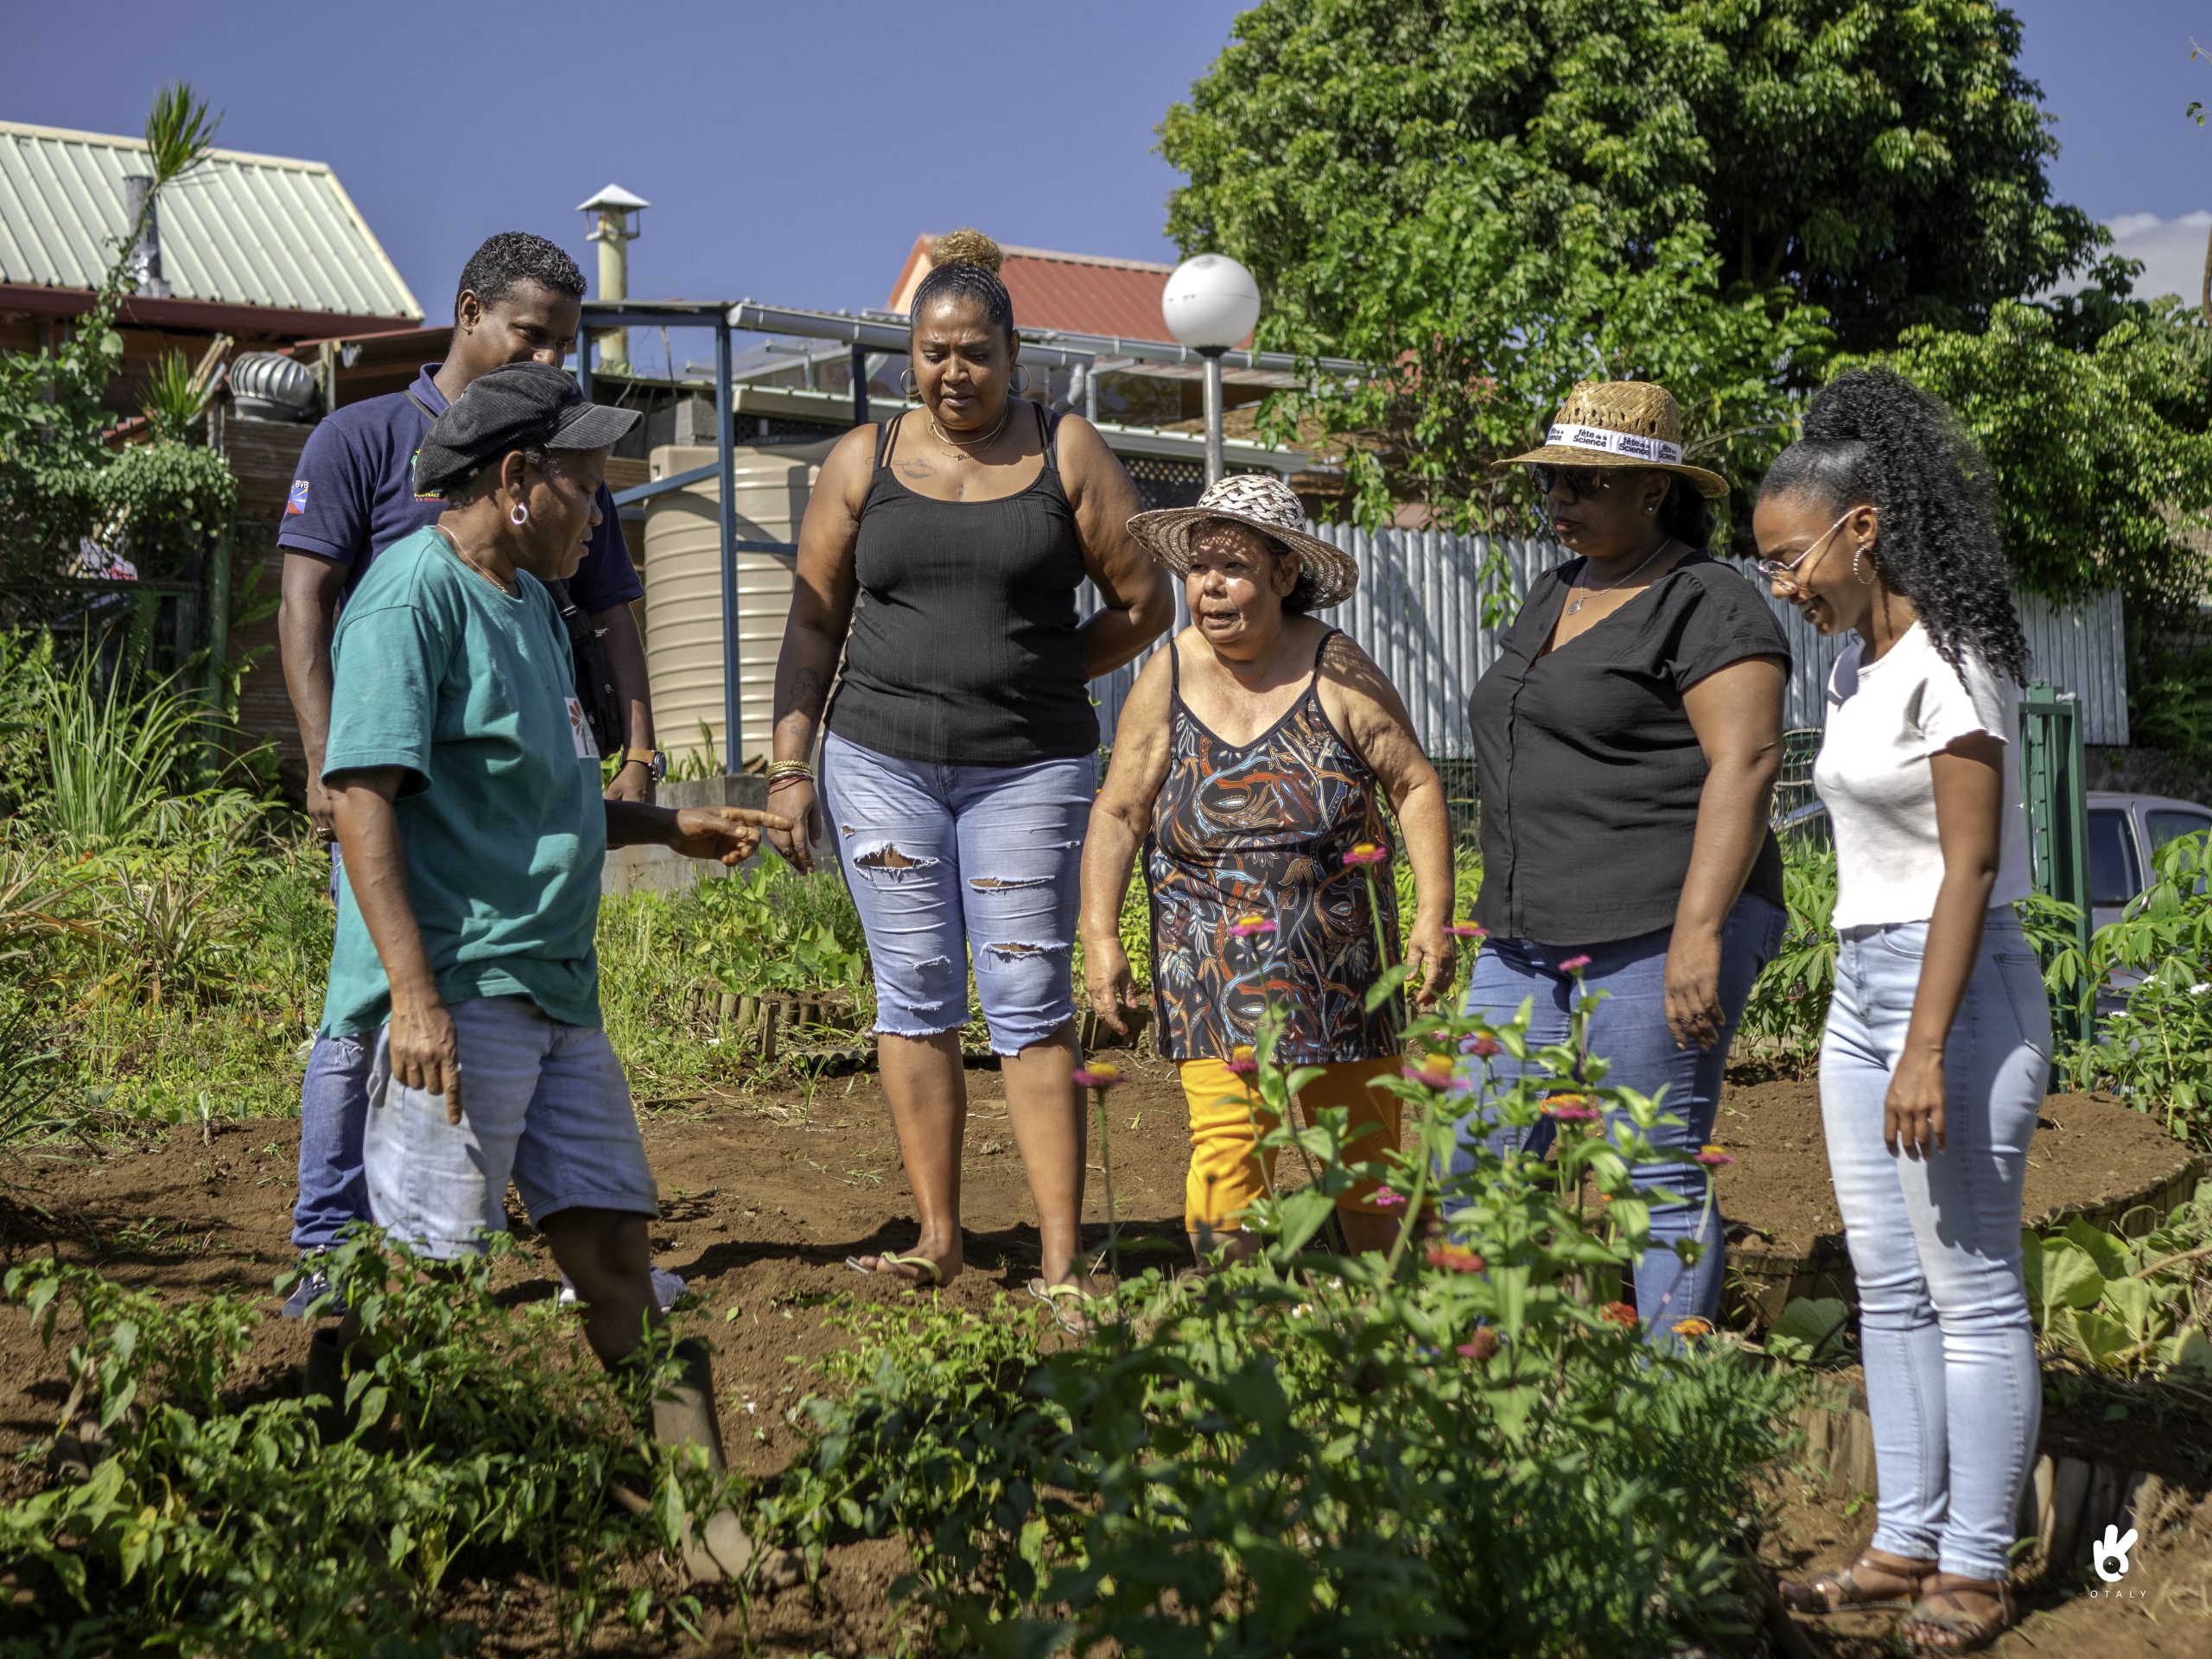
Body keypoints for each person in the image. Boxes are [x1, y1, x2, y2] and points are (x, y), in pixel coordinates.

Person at [314, 362, 784, 1580]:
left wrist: (668, 826)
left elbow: (540, 795)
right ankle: (376, 1548)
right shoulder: (407, 600)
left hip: (558, 991)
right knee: (428, 1284)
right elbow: (361, 802)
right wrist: (415, 998)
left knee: (618, 1256)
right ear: (517, 480)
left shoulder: (528, 603)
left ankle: (707, 1528)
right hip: (462, 992)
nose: (601, 513)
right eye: (587, 486)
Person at [765, 230, 1173, 1299]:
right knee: (913, 993)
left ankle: (1061, 1261)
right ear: (911, 355)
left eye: (975, 353)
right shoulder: (860, 460)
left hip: (1027, 768)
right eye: (933, 352)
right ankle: (938, 1237)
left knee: (1028, 993)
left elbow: (1144, 603)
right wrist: (788, 765)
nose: (954, 372)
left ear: (1013, 352)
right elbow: (813, 624)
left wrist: (1046, 670)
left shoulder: (1066, 451)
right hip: (879, 763)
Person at [276, 232, 664, 1315]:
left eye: (563, 343)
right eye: (530, 336)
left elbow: (608, 621)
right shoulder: (372, 463)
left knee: (461, 1053)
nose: (549, 360)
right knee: (368, 1017)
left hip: (520, 894)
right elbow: (307, 604)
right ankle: (329, 1261)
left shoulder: (545, 550)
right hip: (416, 835)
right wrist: (329, 763)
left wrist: (648, 784)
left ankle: (484, 1248)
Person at [1759, 370, 2044, 1654]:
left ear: (1860, 530)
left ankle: (1974, 1569)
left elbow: (1968, 869)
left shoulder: (1956, 663)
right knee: (1889, 1286)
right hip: (1860, 986)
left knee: (1970, 1292)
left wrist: (1925, 1045)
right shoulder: (1850, 671)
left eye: (1790, 558)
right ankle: (1901, 1544)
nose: (1784, 584)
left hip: (1959, 992)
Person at [1452, 379, 1789, 1341]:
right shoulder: (1557, 588)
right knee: (1475, 1149)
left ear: (1654, 491)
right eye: (1551, 480)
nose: (1559, 498)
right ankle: (1483, 1368)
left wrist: (1698, 935)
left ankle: (1668, 1393)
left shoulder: (1707, 602)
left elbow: (1747, 761)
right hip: (1525, 931)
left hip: (1655, 923)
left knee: (1652, 1165)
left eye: (1585, 482)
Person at [1081, 475, 1454, 1263]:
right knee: (1227, 1152)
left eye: (1233, 567)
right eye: (1198, 567)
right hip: (1209, 963)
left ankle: (1379, 1311)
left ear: (1286, 574)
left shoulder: (1335, 668)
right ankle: (1236, 1315)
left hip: (1342, 968)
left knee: (1363, 1162)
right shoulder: (1169, 673)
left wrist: (1433, 914)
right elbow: (1119, 812)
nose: (1209, 586)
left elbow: (1415, 784)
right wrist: (1100, 936)